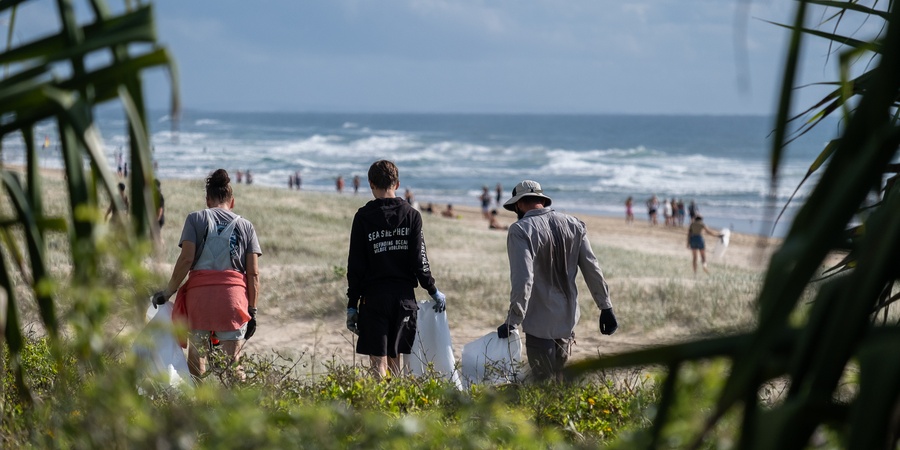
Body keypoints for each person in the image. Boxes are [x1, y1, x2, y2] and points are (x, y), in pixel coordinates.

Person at [496, 180, 617, 382]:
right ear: (542, 201)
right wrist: (606, 307)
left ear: (518, 204)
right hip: (567, 320)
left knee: (542, 384)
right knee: (559, 380)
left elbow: (524, 279)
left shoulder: (520, 230)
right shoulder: (574, 224)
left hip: (539, 322)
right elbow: (592, 267)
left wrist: (513, 320)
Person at [152, 169, 262, 380]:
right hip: (232, 301)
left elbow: (186, 260)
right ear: (232, 201)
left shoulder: (196, 219)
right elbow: (254, 274)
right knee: (234, 366)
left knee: (196, 364)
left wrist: (168, 292)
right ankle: (239, 408)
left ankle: (198, 408)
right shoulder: (246, 226)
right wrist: (253, 311)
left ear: (207, 200)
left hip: (199, 301)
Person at [345, 160, 446, 379]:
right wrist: (433, 291)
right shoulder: (412, 215)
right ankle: (396, 410)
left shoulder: (363, 217)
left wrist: (352, 305)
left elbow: (355, 266)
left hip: (374, 299)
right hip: (404, 300)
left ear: (371, 184)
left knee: (377, 365)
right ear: (397, 184)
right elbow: (420, 261)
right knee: (395, 364)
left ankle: (379, 410)